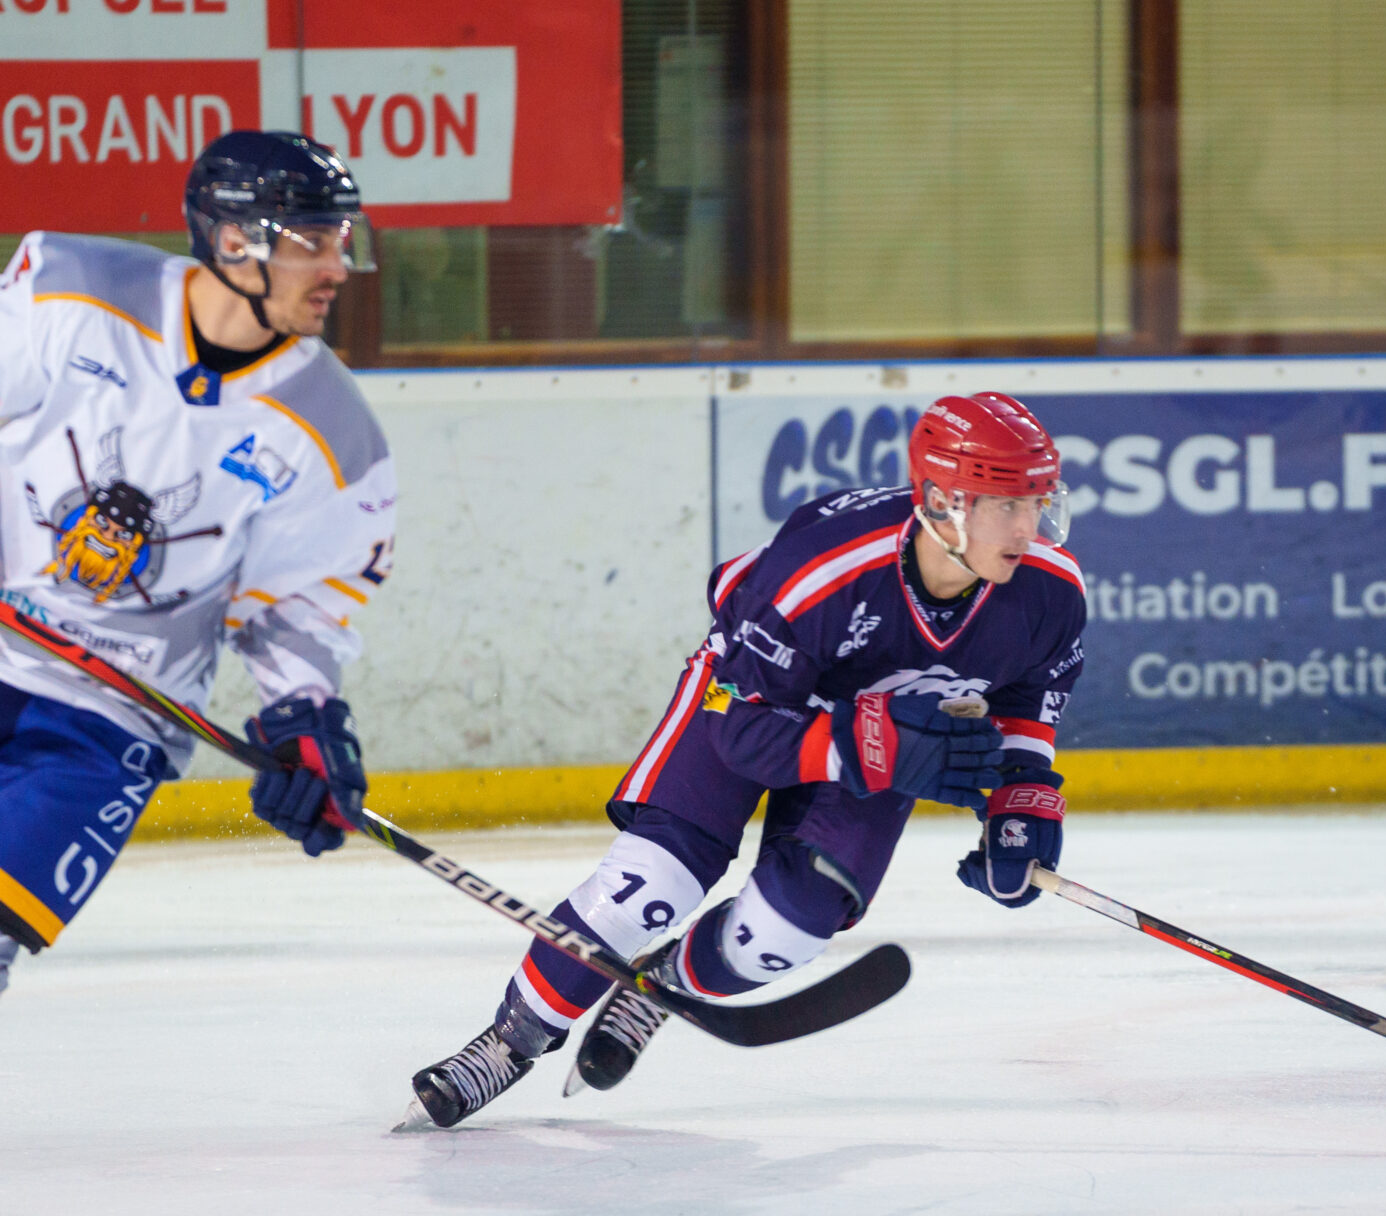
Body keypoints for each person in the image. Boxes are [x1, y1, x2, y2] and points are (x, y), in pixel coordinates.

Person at [404, 393, 1086, 1128]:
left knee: (785, 935)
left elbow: (1031, 688)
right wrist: (864, 747)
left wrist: (1021, 795)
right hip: (757, 705)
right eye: (1009, 505)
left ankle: (661, 984)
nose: (1031, 527)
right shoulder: (822, 572)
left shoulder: (1051, 591)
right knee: (649, 884)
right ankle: (511, 1040)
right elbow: (741, 731)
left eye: (1038, 502)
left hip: (878, 735)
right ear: (942, 501)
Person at [0, 131, 397, 997]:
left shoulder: (333, 433)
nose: (337, 265)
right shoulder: (68, 294)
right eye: (312, 241)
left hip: (108, 720)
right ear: (231, 241)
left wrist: (303, 721)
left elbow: (295, 608)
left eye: (342, 239)